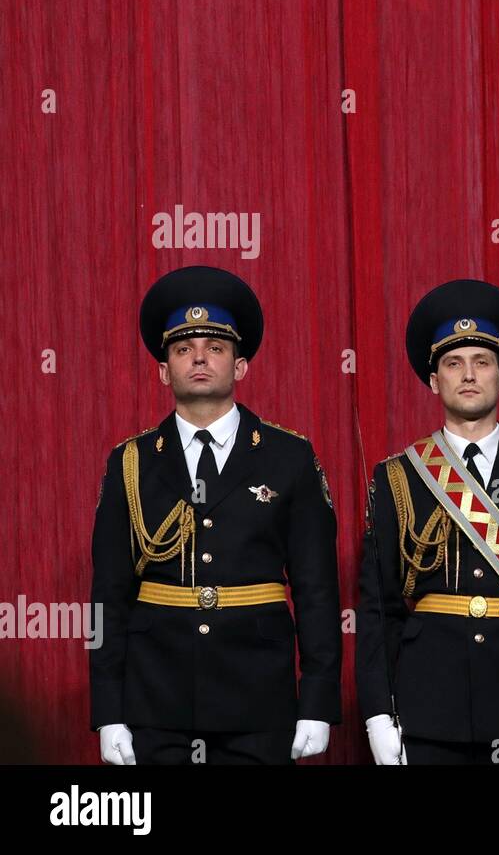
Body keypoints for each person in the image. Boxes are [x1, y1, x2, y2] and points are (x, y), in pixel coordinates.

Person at [91, 265, 342, 765]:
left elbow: (317, 591)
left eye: (216, 348)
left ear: (240, 365)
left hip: (259, 699)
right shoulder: (131, 461)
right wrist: (108, 710)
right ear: (164, 370)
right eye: (183, 349)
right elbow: (108, 598)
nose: (199, 359)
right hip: (156, 698)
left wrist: (317, 702)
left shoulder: (289, 457)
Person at [357, 280, 499, 765]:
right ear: (434, 380)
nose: (468, 375)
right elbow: (378, 610)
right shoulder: (398, 475)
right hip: (428, 706)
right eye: (453, 363)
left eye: (482, 362)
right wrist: (379, 713)